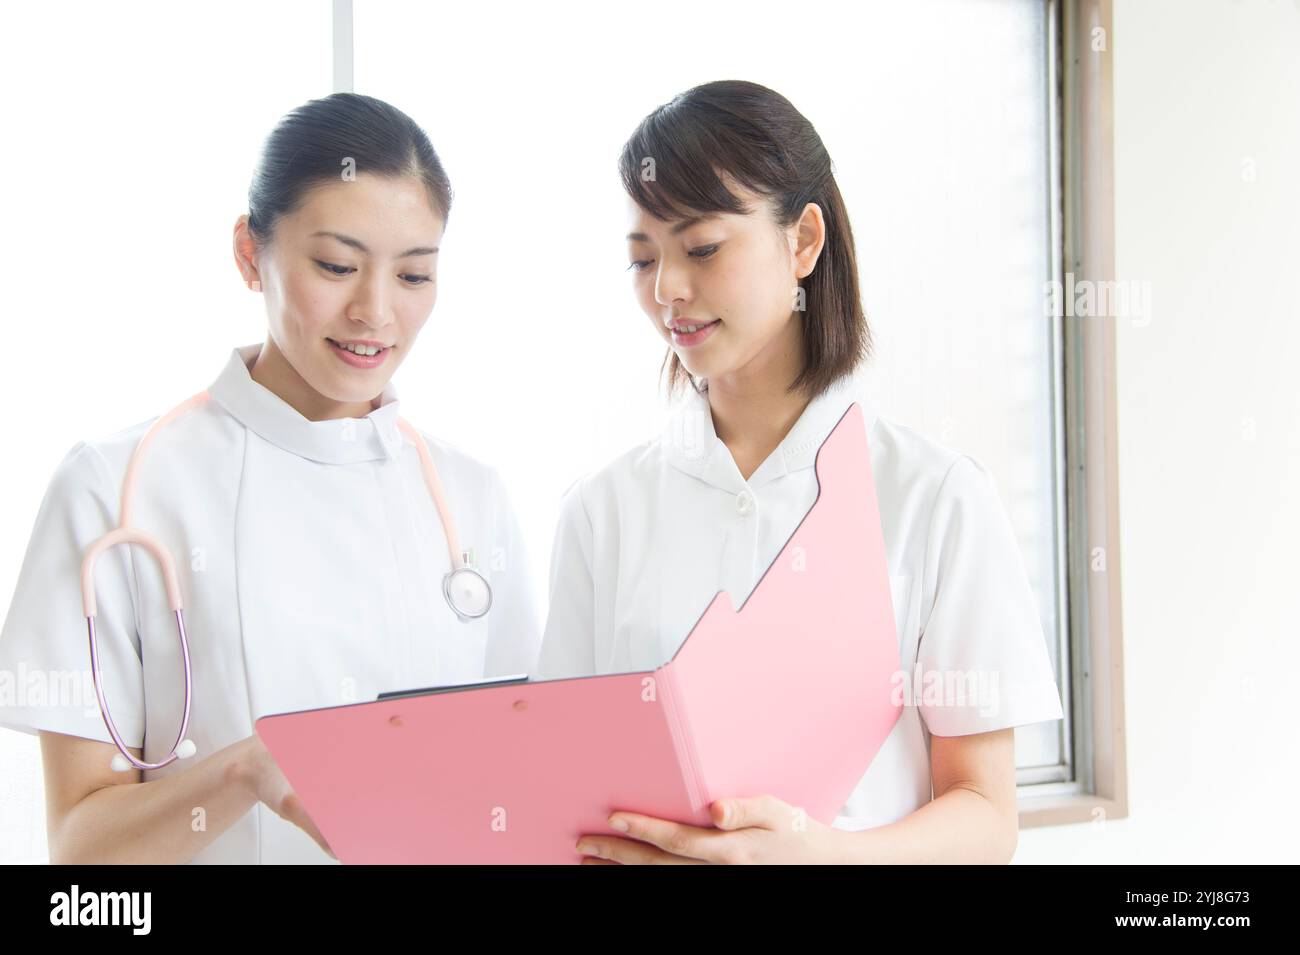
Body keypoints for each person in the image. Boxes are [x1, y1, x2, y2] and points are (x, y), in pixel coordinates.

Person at [0, 92, 542, 864]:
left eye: (415, 275)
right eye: (337, 265)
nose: (375, 312)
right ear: (251, 254)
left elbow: (514, 798)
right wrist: (248, 768)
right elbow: (82, 853)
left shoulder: (472, 496)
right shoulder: (115, 487)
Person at [538, 80, 1064, 864]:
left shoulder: (935, 496)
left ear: (804, 241)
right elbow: (565, 790)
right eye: (642, 258)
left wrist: (820, 855)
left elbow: (987, 816)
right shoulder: (601, 511)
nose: (667, 290)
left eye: (703, 248)